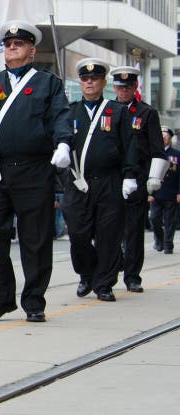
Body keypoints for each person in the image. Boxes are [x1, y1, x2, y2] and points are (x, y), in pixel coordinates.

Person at [0, 20, 72, 323]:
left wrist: (64, 143)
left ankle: (34, 300)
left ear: (32, 50)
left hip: (33, 169)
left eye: (19, 43)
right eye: (8, 44)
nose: (12, 47)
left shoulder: (47, 83)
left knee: (35, 238)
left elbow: (60, 115)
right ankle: (1, 297)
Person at [61, 58, 138, 302]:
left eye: (94, 78)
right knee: (77, 233)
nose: (89, 82)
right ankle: (87, 273)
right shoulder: (69, 112)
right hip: (77, 182)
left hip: (109, 182)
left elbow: (130, 146)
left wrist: (130, 176)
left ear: (104, 82)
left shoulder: (117, 112)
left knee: (109, 235)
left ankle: (104, 283)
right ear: (80, 83)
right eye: (85, 78)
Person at [110, 65, 167, 292]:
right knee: (108, 229)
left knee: (133, 230)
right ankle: (109, 269)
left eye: (128, 87)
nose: (124, 91)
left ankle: (132, 276)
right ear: (114, 87)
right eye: (120, 87)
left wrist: (154, 178)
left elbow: (157, 149)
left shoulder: (146, 113)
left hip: (138, 177)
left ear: (135, 87)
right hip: (111, 178)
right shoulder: (107, 110)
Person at [148, 126, 180, 254]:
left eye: (166, 136)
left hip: (171, 192)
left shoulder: (176, 154)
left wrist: (179, 192)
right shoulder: (153, 152)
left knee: (170, 221)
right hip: (156, 193)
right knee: (154, 218)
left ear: (170, 138)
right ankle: (159, 239)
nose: (164, 138)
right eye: (161, 136)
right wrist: (148, 193)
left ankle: (168, 245)